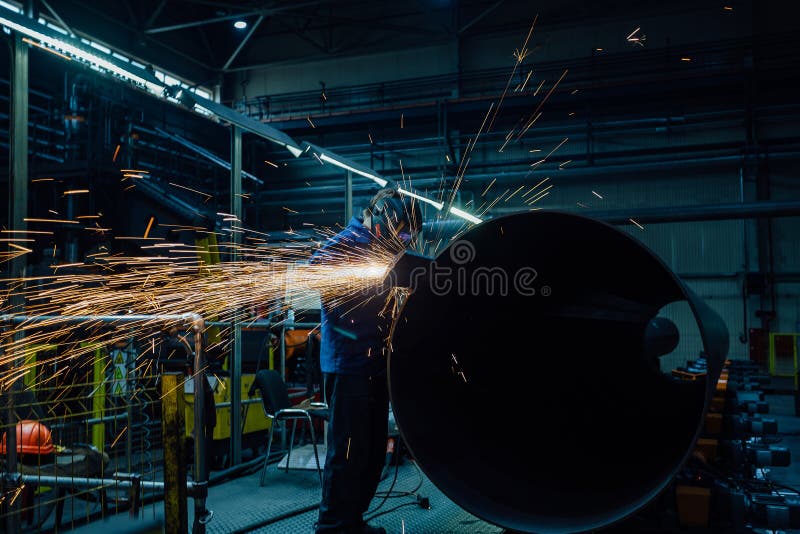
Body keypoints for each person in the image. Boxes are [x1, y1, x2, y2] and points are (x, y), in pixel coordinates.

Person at [314, 188, 421, 534]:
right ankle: (333, 526)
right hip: (349, 367)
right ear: (380, 223)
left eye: (408, 237)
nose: (403, 242)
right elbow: (324, 283)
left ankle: (353, 520)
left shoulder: (385, 248)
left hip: (375, 366)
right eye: (401, 234)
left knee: (373, 451)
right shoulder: (344, 245)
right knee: (348, 452)